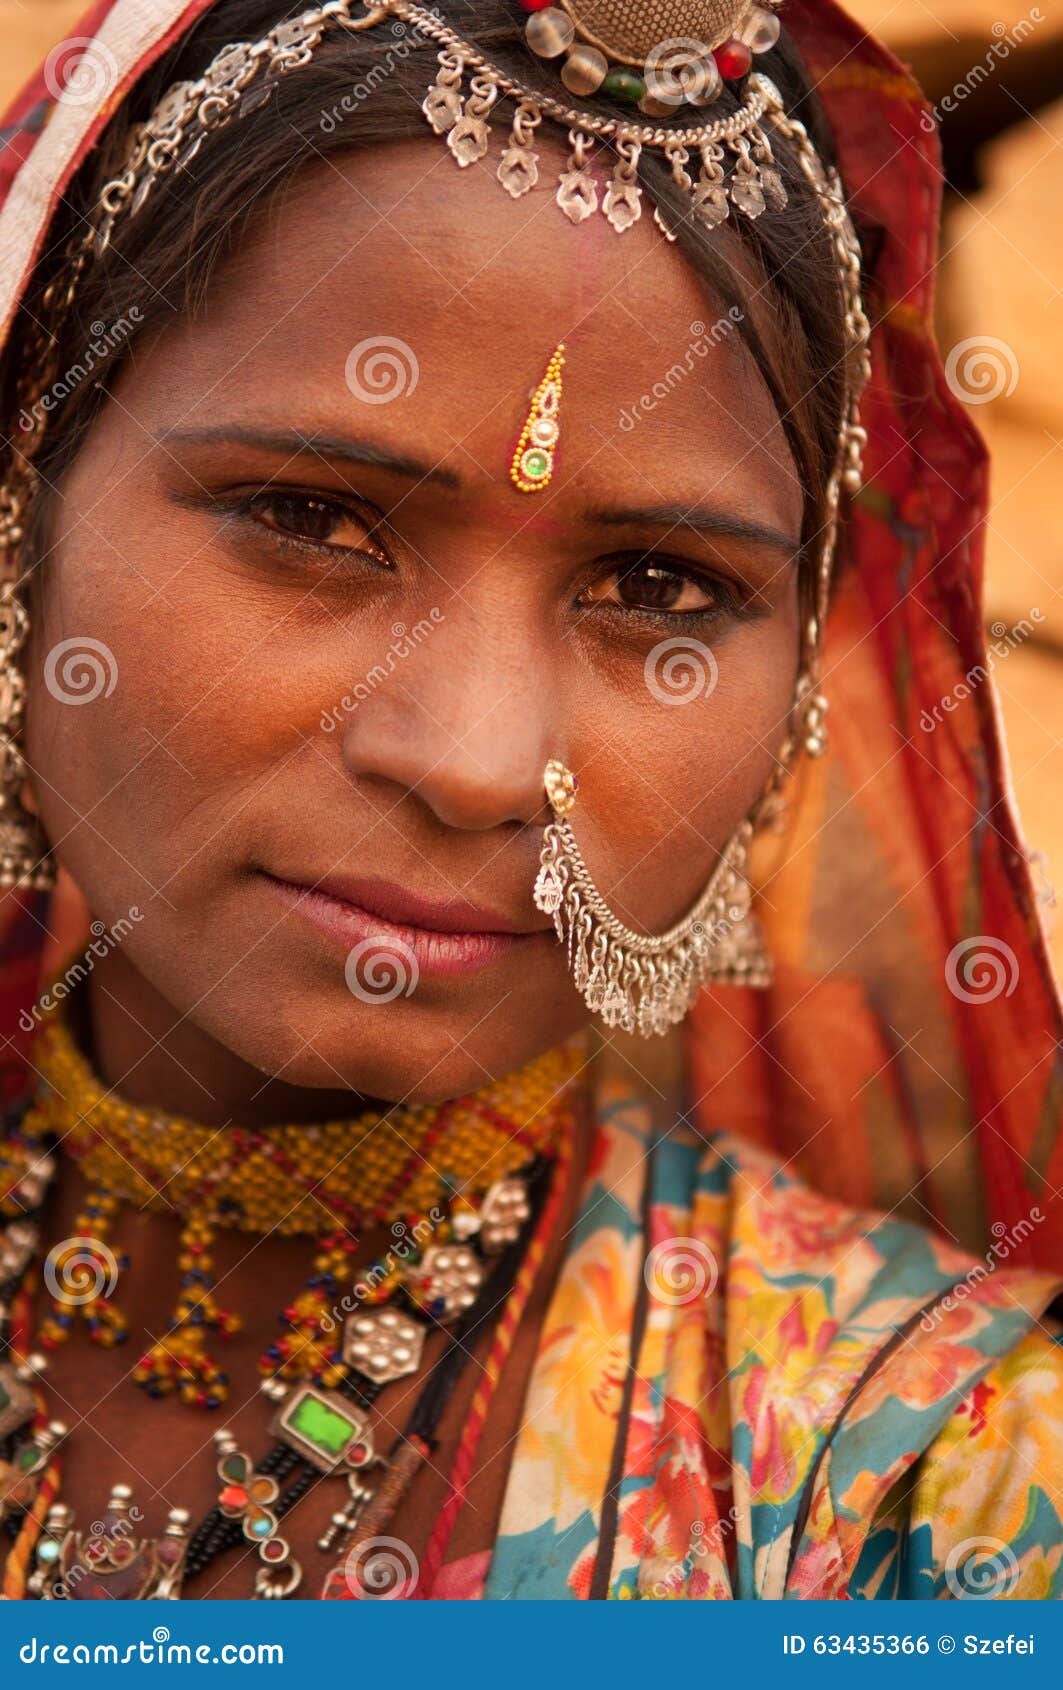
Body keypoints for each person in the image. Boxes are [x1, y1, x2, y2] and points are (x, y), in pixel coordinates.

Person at [0, 0, 1059, 1602]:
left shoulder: (942, 1490)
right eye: (315, 516)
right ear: (23, 507)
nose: (477, 759)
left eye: (657, 585)